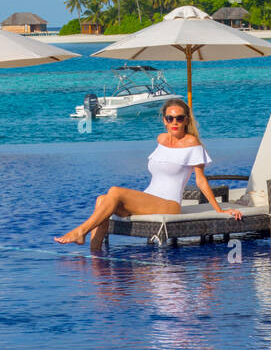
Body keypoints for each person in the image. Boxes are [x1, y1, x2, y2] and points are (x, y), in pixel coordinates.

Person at [54, 96, 243, 251]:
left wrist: (219, 210)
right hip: (149, 198)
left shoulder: (192, 144)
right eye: (170, 118)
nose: (174, 122)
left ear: (186, 120)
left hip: (169, 205)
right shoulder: (161, 139)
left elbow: (201, 181)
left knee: (115, 191)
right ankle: (95, 257)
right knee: (102, 200)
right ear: (164, 120)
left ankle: (81, 231)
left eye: (179, 118)